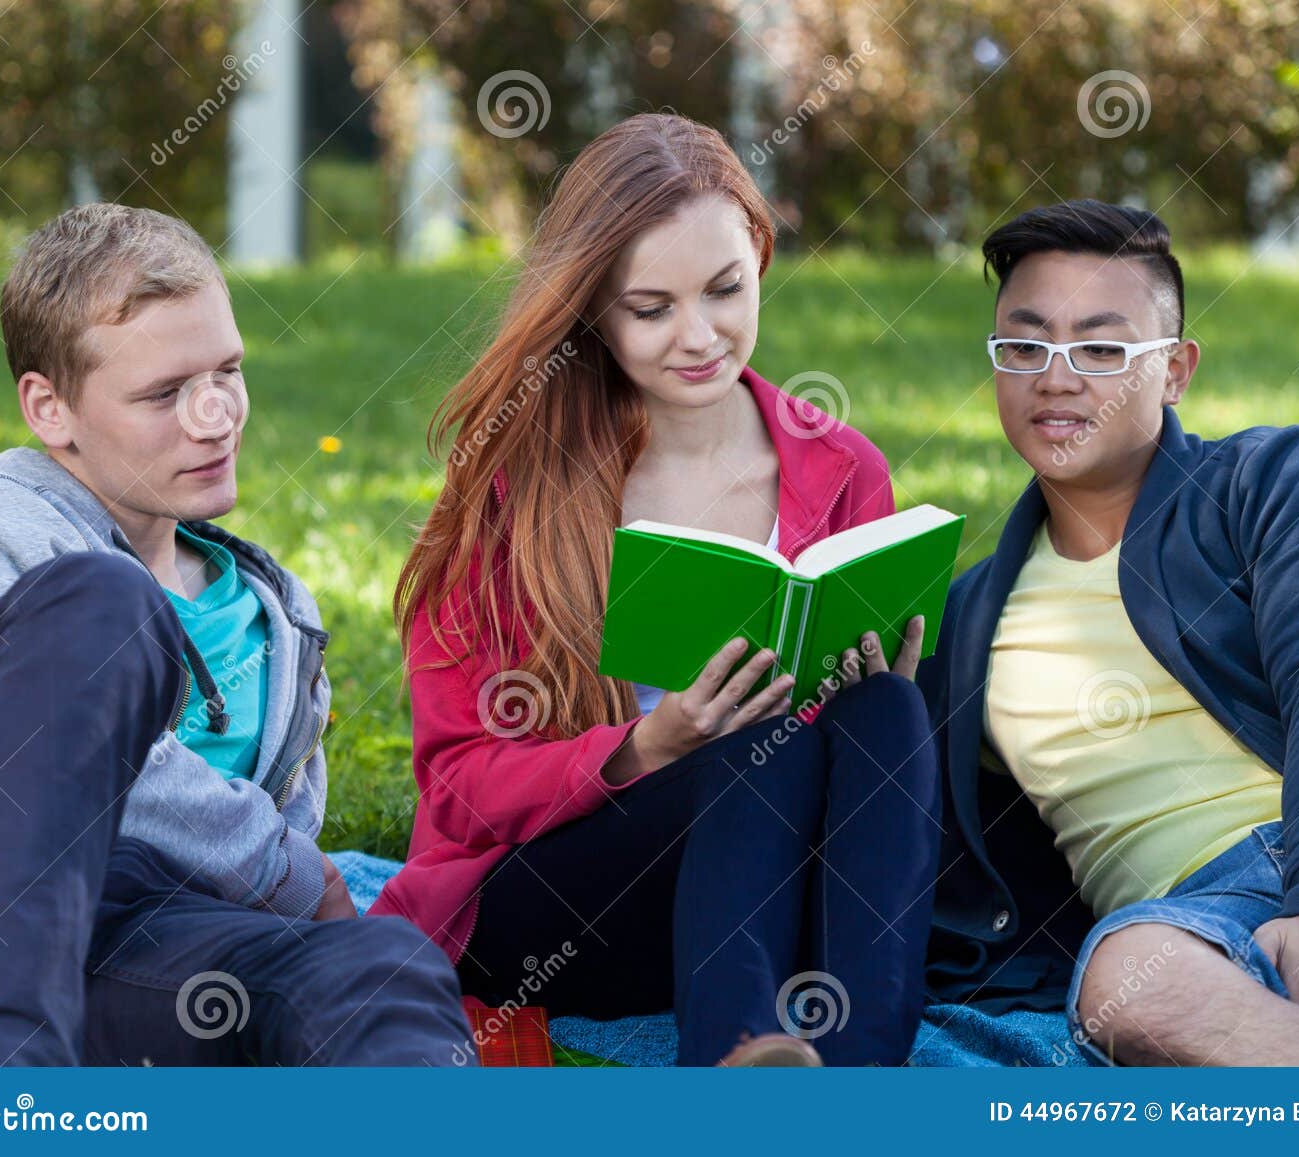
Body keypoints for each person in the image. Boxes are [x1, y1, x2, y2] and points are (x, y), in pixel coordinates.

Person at [367, 113, 941, 1067]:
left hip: (766, 899)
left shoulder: (843, 469)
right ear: (592, 307)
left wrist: (857, 685)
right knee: (756, 733)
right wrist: (646, 747)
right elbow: (461, 787)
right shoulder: (514, 491)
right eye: (651, 307)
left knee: (887, 709)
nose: (700, 335)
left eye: (725, 289)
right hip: (557, 911)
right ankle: (730, 1057)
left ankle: (854, 1072)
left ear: (759, 254)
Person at [0, 204, 471, 1066]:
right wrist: (288, 867)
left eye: (227, 369)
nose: (215, 415)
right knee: (102, 601)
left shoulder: (280, 617)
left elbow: (272, 882)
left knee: (382, 965)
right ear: (50, 408)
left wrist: (304, 915)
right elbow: (7, 758)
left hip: (124, 959)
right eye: (162, 393)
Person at [920, 198, 1299, 1065]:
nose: (1056, 378)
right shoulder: (966, 618)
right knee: (1120, 981)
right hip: (1200, 927)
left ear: (1175, 370)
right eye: (1024, 346)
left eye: (1101, 348)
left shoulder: (1273, 478)